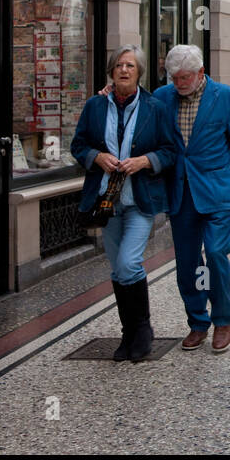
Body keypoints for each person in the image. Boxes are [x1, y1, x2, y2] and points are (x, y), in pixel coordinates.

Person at [72, 46, 178, 362]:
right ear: (111, 71)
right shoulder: (94, 106)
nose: (124, 70)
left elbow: (170, 151)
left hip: (139, 201)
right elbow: (78, 145)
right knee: (118, 271)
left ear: (139, 71)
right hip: (107, 202)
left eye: (130, 65)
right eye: (118, 65)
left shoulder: (154, 107)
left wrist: (145, 160)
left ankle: (143, 331)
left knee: (128, 264)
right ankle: (128, 334)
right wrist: (97, 157)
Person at [153, 45, 230, 354]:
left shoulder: (224, 97)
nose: (179, 83)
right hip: (181, 192)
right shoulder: (162, 97)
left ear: (200, 73)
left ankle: (222, 319)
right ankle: (198, 321)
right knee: (187, 263)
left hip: (218, 189)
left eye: (185, 77)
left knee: (214, 253)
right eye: (174, 77)